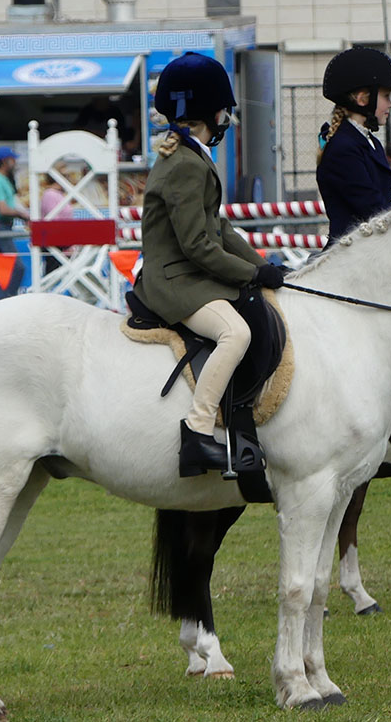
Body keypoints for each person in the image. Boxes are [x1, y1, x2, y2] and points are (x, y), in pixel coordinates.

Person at [130, 52, 286, 477]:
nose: (226, 118)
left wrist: (264, 266)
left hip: (189, 273)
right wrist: (251, 274)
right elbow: (198, 246)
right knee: (236, 333)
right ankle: (197, 432)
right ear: (209, 113)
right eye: (223, 110)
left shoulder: (190, 156)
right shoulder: (184, 164)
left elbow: (220, 228)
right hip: (175, 281)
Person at [315, 46, 391, 245]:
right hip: (353, 252)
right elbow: (373, 209)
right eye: (386, 96)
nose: (390, 104)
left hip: (373, 246)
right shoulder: (343, 148)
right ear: (362, 99)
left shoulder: (370, 142)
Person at [0, 146, 29, 298]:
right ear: (4, 161)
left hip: (5, 226)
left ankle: (2, 299)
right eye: (12, 159)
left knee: (6, 267)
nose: (15, 162)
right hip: (0, 225)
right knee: (16, 267)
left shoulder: (3, 179)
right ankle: (5, 299)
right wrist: (22, 215)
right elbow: (2, 209)